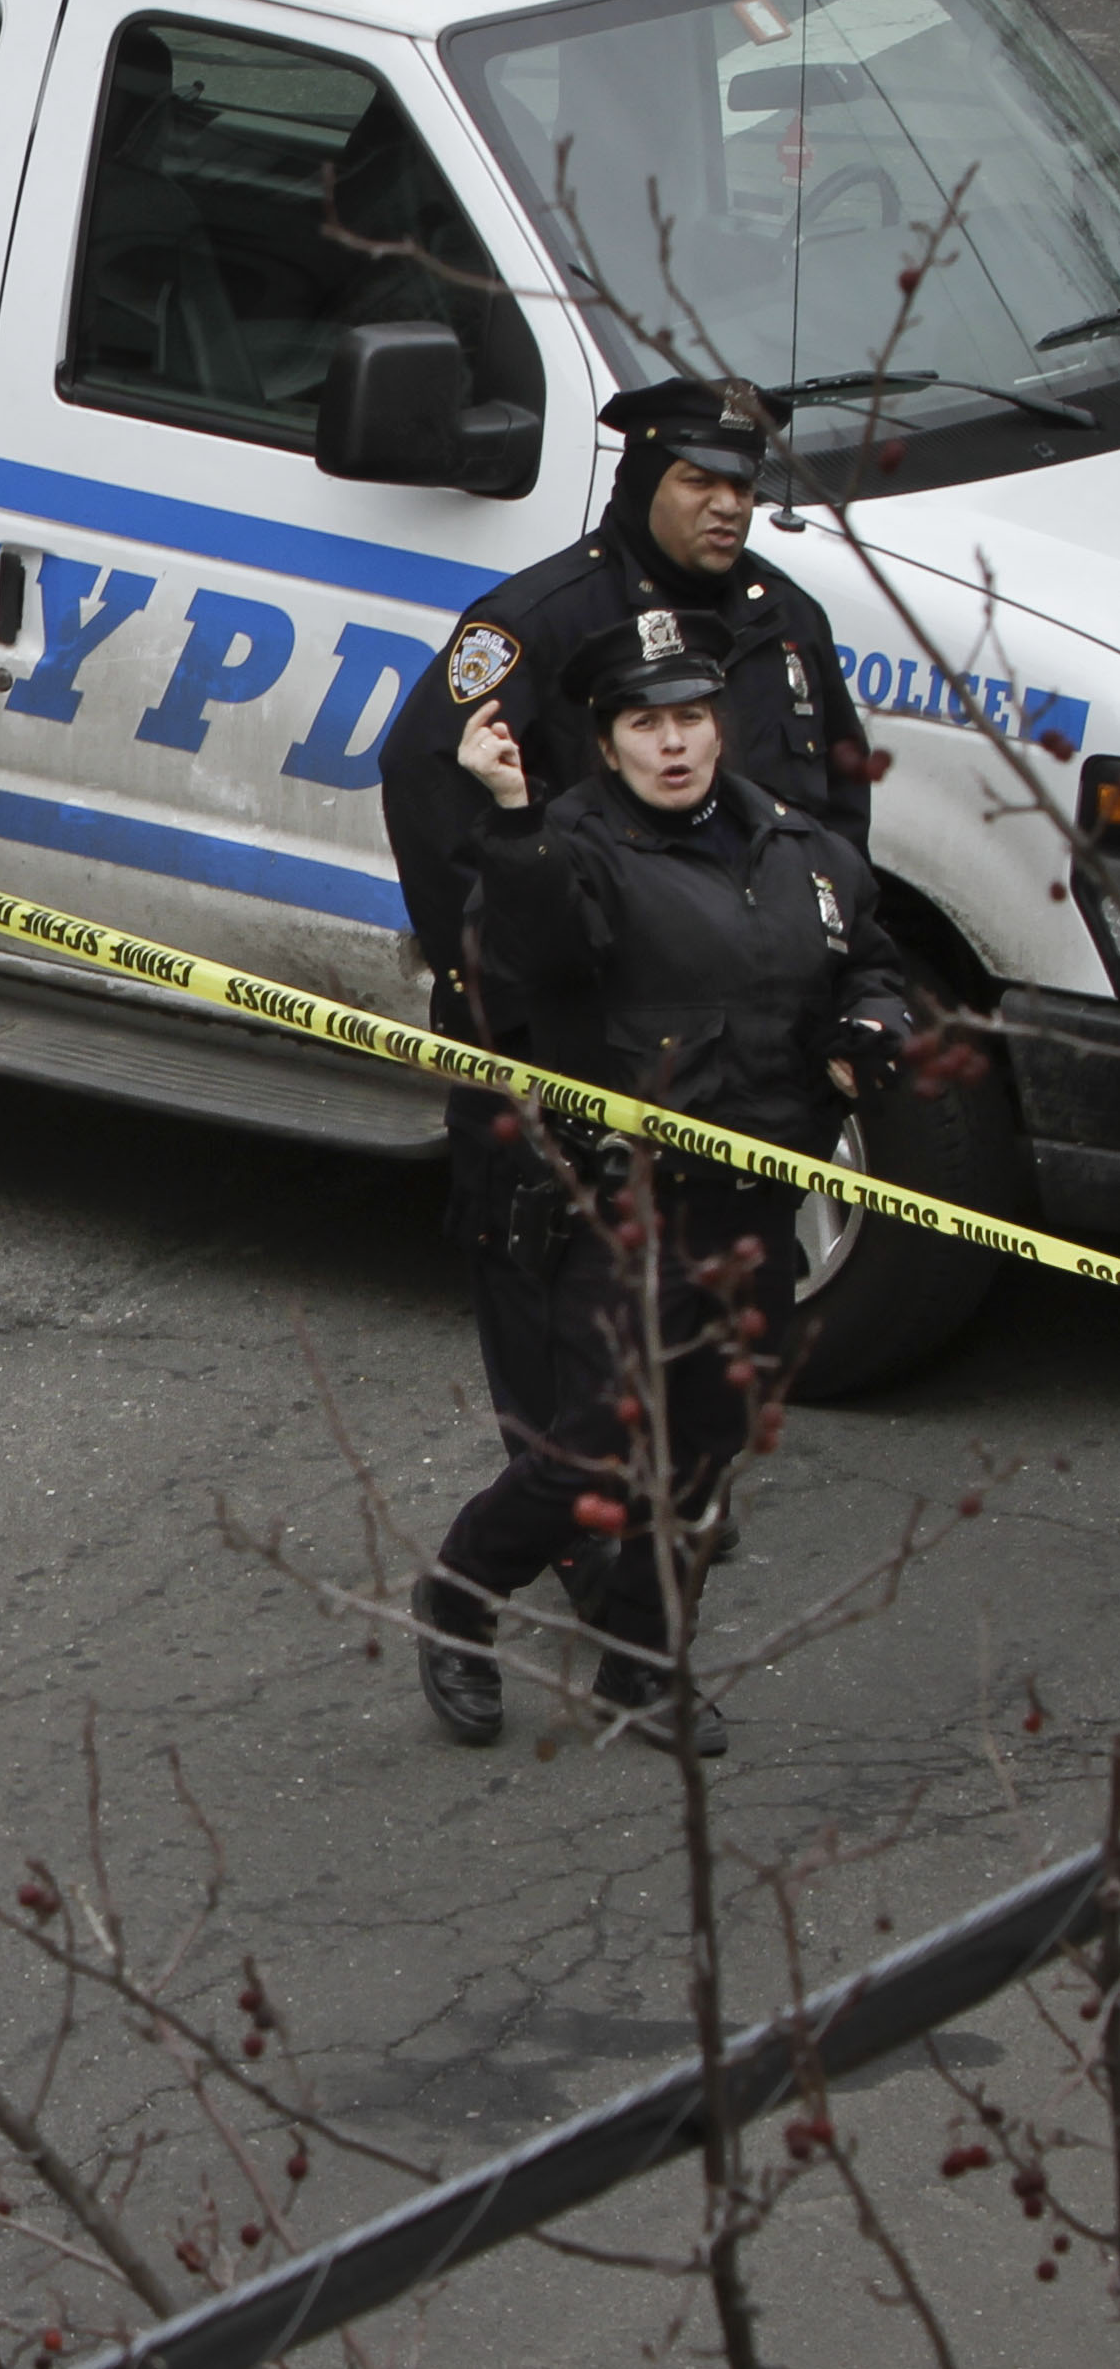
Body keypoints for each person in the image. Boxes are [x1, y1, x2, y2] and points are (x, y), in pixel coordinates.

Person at [377, 376, 871, 1556]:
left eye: (742, 487)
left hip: (724, 1064)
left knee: (708, 1336)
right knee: (550, 1308)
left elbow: (830, 818)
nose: (725, 507)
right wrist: (496, 984)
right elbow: (427, 784)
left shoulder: (782, 622)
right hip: (560, 1048)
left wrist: (841, 984)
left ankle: (649, 1536)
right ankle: (541, 1553)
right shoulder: (540, 618)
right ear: (643, 478)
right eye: (698, 482)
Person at [410, 611, 911, 1757]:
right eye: (645, 723)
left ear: (716, 727)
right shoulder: (570, 847)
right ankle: (458, 1592)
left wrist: (868, 1024)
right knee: (594, 1443)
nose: (672, 744)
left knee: (698, 1448)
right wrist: (507, 814)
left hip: (751, 1208)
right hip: (624, 1199)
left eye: (688, 717)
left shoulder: (796, 849)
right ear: (606, 740)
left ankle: (641, 1664)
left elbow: (866, 960)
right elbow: (534, 953)